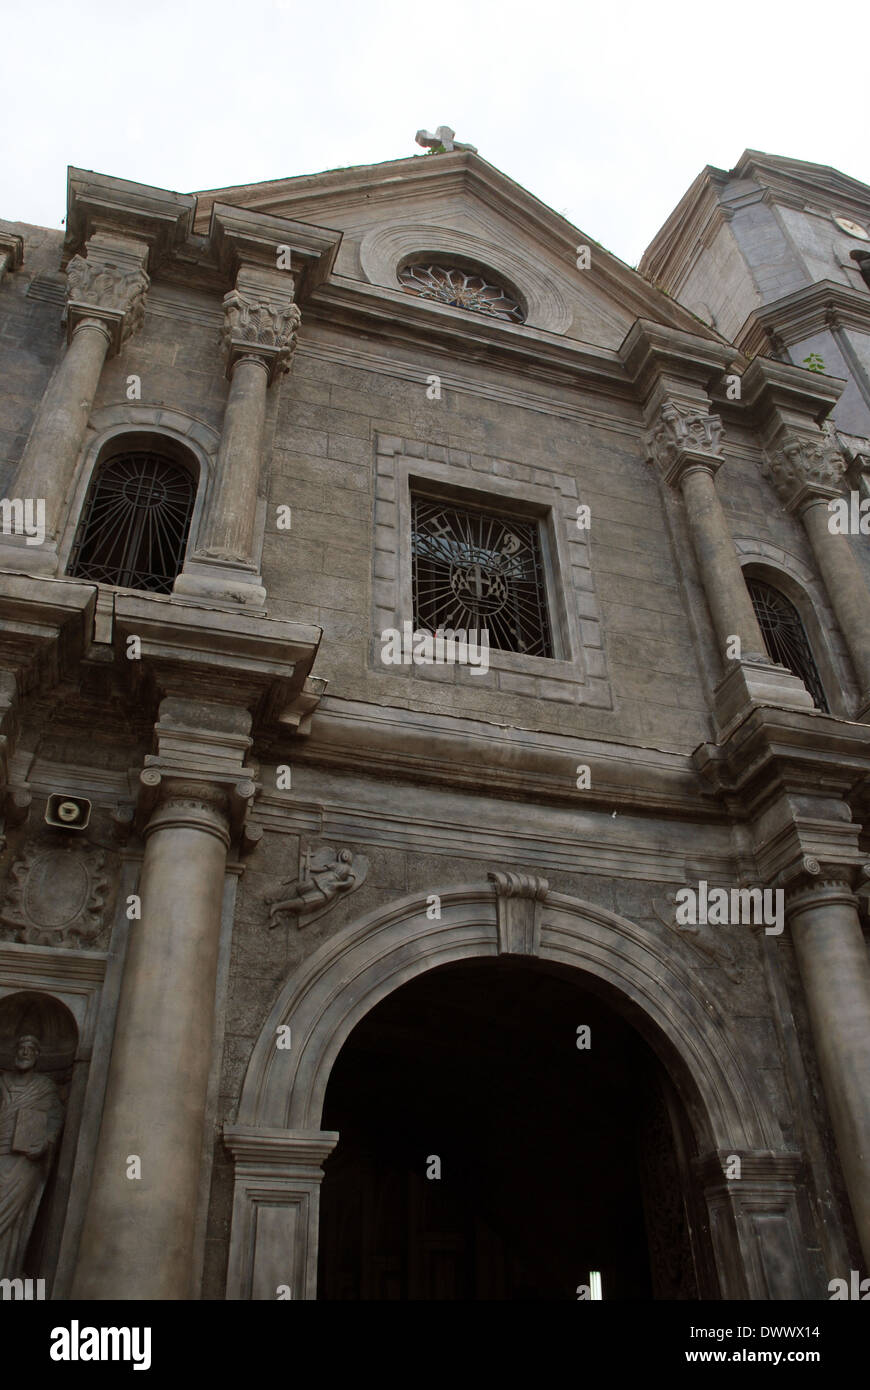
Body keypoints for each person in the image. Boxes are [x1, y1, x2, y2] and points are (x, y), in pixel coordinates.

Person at [0, 1034, 65, 1277]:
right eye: (21, 1048)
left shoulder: (44, 1087)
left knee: (16, 1218)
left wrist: (45, 1142)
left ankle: (7, 1274)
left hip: (24, 1162)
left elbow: (55, 1118)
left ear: (38, 1056)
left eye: (30, 1049)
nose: (25, 1053)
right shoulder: (2, 1082)